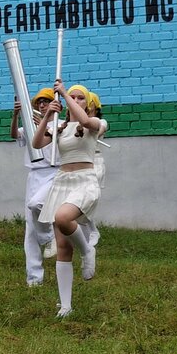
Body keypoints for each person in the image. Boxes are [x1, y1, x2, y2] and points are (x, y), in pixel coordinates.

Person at [33, 80, 101, 318]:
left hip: (84, 182)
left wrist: (64, 93)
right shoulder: (60, 127)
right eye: (73, 97)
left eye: (80, 97)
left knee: (64, 218)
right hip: (62, 182)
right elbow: (37, 143)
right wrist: (47, 116)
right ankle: (66, 305)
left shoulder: (97, 124)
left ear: (89, 103)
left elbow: (84, 121)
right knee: (62, 248)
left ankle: (87, 251)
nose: (75, 100)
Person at [10, 88, 58, 287]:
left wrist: (45, 124)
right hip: (35, 174)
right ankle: (34, 279)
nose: (41, 105)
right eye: (39, 102)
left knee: (37, 205)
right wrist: (15, 115)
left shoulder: (61, 125)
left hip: (55, 172)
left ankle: (48, 237)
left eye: (46, 102)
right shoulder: (30, 125)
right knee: (30, 229)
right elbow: (14, 135)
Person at [84, 90, 108, 248]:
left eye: (90, 103)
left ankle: (92, 231)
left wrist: (95, 133)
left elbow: (101, 127)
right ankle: (88, 233)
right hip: (81, 163)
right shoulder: (79, 121)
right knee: (79, 200)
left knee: (87, 199)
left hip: (95, 163)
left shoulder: (100, 121)